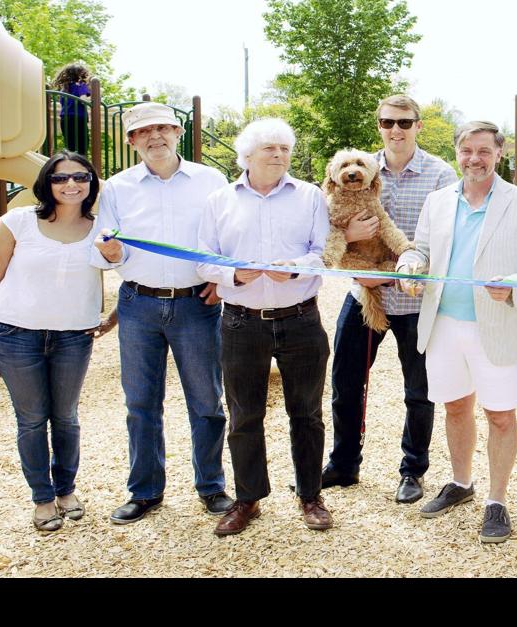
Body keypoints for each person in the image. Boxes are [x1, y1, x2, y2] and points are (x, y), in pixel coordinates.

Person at [395, 120, 517, 544]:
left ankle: (497, 501)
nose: (475, 159)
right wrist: (408, 266)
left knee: (501, 416)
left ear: (499, 154)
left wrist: (516, 284)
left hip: (497, 324)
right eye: (467, 150)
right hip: (443, 325)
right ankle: (461, 482)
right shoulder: (437, 201)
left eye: (484, 150)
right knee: (454, 408)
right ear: (457, 153)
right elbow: (421, 250)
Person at [195, 117, 335, 536]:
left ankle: (310, 495)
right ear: (247, 155)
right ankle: (248, 498)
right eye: (270, 148)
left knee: (307, 413)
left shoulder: (310, 196)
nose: (279, 155)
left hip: (301, 319)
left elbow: (324, 251)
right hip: (241, 323)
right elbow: (203, 258)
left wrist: (294, 270)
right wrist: (233, 276)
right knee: (243, 415)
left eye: (285, 148)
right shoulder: (219, 201)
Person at [96, 102, 234, 524]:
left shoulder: (211, 180)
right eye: (143, 132)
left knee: (207, 402)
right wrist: (110, 252)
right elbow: (102, 245)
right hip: (138, 304)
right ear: (131, 141)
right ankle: (145, 491)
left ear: (177, 132)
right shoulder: (117, 188)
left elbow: (227, 236)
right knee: (141, 402)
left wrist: (222, 279)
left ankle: (211, 486)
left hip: (197, 303)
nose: (154, 137)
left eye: (162, 129)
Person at [0, 152, 125, 531]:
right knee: (32, 420)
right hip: (14, 335)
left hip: (74, 337)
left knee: (67, 418)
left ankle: (66, 489)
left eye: (80, 176)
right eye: (60, 178)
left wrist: (112, 319)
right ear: (46, 183)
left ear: (91, 183)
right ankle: (42, 497)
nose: (71, 184)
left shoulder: (103, 229)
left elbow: (135, 276)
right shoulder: (17, 222)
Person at [320, 93, 458, 504]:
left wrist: (413, 269)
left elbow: (452, 235)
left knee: (419, 391)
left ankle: (412, 471)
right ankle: (343, 464)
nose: (395, 130)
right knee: (345, 384)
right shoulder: (358, 167)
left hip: (416, 301)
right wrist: (352, 262)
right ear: (378, 126)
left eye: (404, 122)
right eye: (387, 123)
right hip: (363, 294)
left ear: (418, 125)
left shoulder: (440, 174)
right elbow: (328, 232)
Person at [53, 63, 92, 154]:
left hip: (65, 119)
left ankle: (71, 164)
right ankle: (80, 165)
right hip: (78, 119)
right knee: (82, 147)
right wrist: (95, 97)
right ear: (80, 75)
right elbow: (83, 100)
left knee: (70, 146)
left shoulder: (64, 88)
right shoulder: (80, 85)